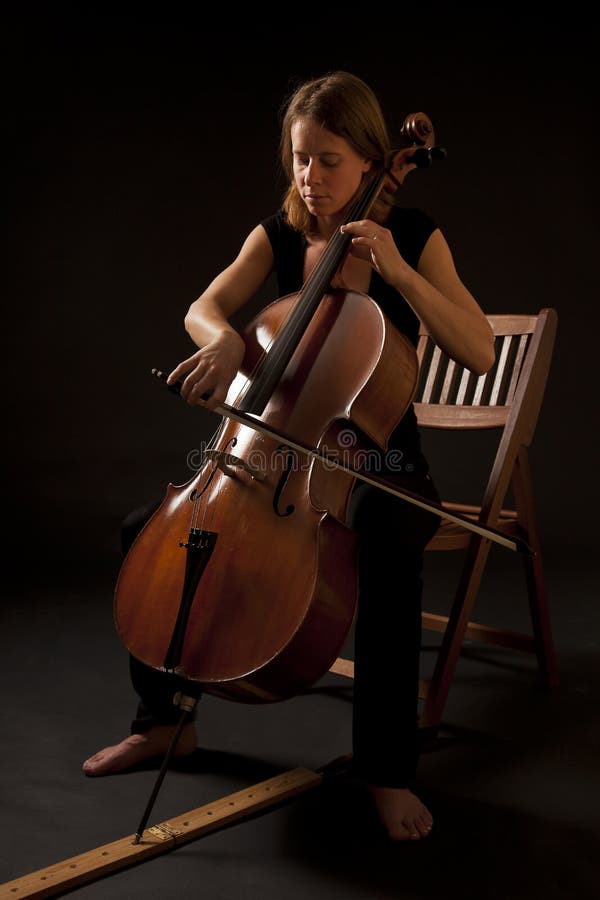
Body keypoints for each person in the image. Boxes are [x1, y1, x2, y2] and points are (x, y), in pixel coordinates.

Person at [83, 71, 495, 842]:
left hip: (380, 460)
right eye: (300, 158)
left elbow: (475, 347)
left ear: (375, 158)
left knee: (391, 545)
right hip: (271, 456)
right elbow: (201, 308)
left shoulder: (415, 235)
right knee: (151, 531)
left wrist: (400, 272)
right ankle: (166, 720)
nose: (310, 177)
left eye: (329, 160)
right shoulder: (275, 236)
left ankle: (386, 768)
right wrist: (230, 340)